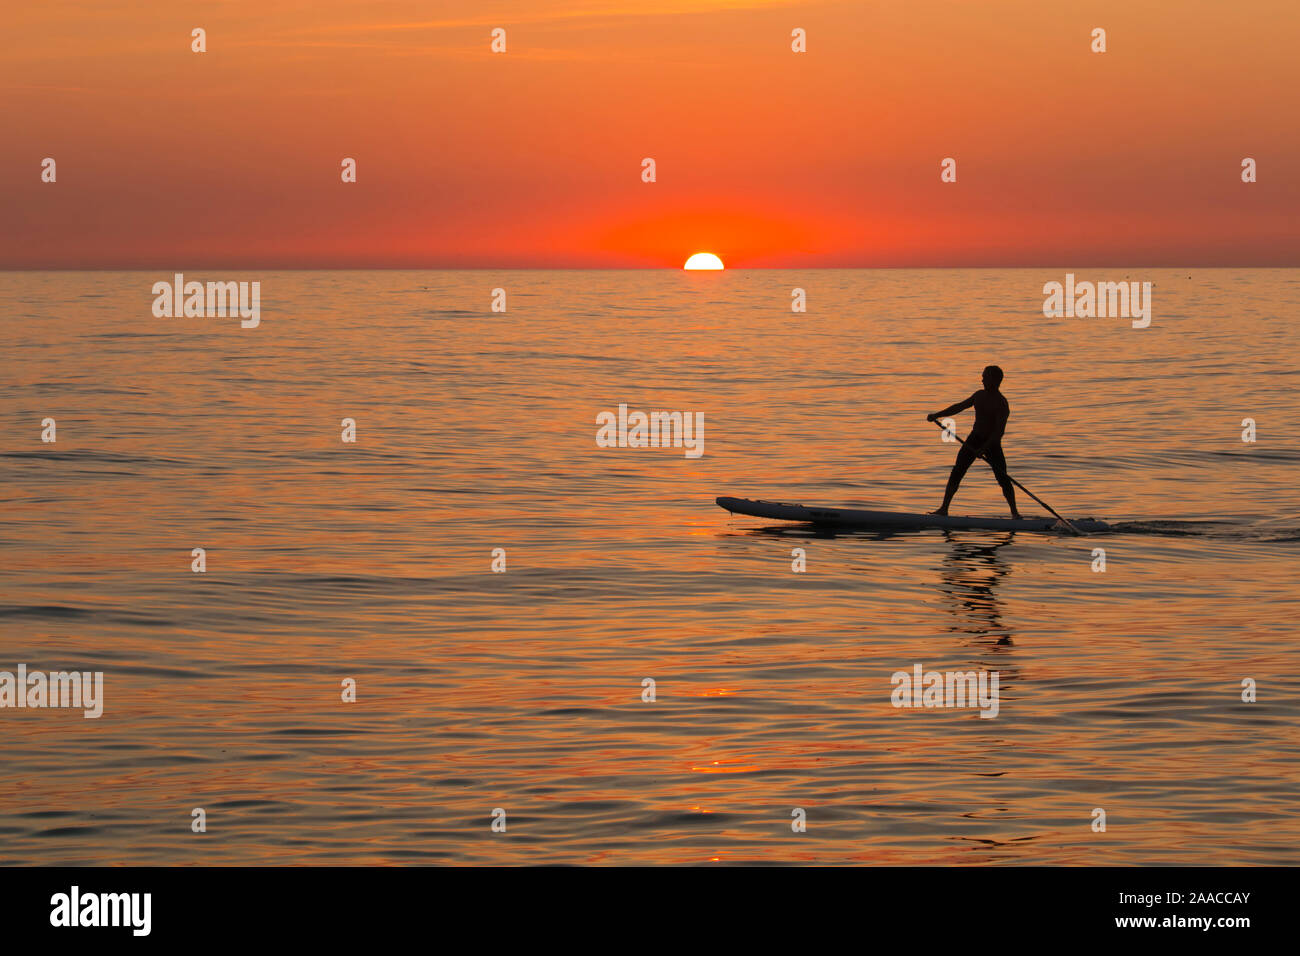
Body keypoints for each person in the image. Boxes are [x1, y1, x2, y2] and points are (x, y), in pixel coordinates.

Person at [926, 366, 1021, 518]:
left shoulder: (1001, 403)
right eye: (982, 376)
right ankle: (944, 509)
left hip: (992, 444)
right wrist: (937, 415)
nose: (982, 379)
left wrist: (984, 449)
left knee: (1003, 478)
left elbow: (999, 433)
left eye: (985, 377)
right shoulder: (979, 395)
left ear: (995, 381)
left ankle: (1015, 514)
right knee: (957, 472)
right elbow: (959, 407)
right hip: (974, 439)